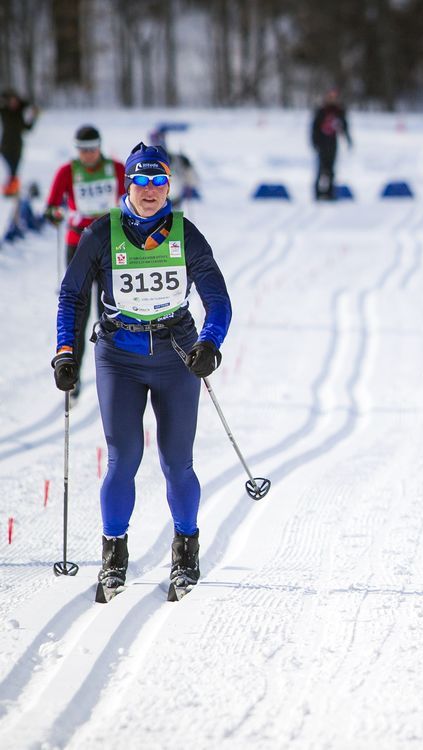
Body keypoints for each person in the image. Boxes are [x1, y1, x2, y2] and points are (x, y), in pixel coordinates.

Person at [52, 142, 232, 602]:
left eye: (158, 181)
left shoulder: (186, 234)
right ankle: (114, 555)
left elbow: (217, 296)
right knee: (124, 457)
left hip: (176, 354)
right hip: (119, 355)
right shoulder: (101, 233)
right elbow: (72, 295)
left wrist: (210, 342)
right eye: (141, 181)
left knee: (177, 461)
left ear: (168, 185)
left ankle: (186, 550)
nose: (149, 190)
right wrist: (65, 351)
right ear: (127, 183)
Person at [44, 124, 126, 391]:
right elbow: (52, 205)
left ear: (99, 147)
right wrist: (54, 214)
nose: (88, 155)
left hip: (110, 245)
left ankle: (113, 372)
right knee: (78, 311)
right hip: (78, 244)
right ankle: (72, 373)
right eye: (83, 150)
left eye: (92, 149)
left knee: (109, 312)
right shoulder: (67, 172)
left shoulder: (116, 168)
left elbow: (132, 198)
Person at [310, 88, 352, 201]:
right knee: (320, 169)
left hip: (332, 143)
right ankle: (318, 194)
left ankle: (330, 193)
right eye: (330, 97)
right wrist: (314, 142)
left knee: (331, 170)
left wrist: (348, 139)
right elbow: (314, 128)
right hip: (322, 143)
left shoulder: (338, 111)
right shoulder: (321, 111)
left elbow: (344, 126)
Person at [149, 128, 200, 208]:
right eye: (155, 140)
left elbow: (194, 180)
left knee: (176, 219)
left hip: (175, 201)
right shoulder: (146, 162)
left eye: (161, 139)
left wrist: (189, 186)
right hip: (154, 204)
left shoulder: (180, 160)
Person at [1, 89, 38, 196]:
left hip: (17, 147)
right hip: (6, 147)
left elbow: (28, 128)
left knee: (15, 171)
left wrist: (34, 117)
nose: (13, 103)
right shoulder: (5, 112)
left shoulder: (19, 114)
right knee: (12, 170)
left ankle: (12, 190)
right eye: (11, 101)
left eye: (15, 101)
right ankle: (10, 190)